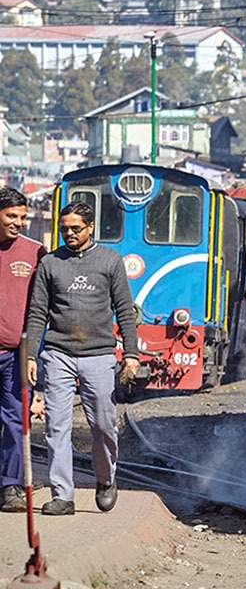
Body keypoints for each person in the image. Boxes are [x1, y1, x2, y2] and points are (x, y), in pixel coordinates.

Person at [25, 201, 139, 516]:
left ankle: (106, 479)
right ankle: (63, 495)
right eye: (64, 229)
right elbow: (37, 313)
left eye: (76, 228)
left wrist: (131, 354)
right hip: (58, 354)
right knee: (56, 426)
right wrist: (32, 355)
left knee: (103, 426)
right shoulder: (49, 264)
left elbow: (125, 311)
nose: (70, 234)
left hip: (99, 355)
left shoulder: (110, 261)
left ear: (91, 227)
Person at [0, 188, 45, 513]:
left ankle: (11, 486)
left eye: (22, 217)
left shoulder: (35, 253)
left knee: (16, 421)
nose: (18, 223)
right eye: (11, 216)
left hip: (15, 356)